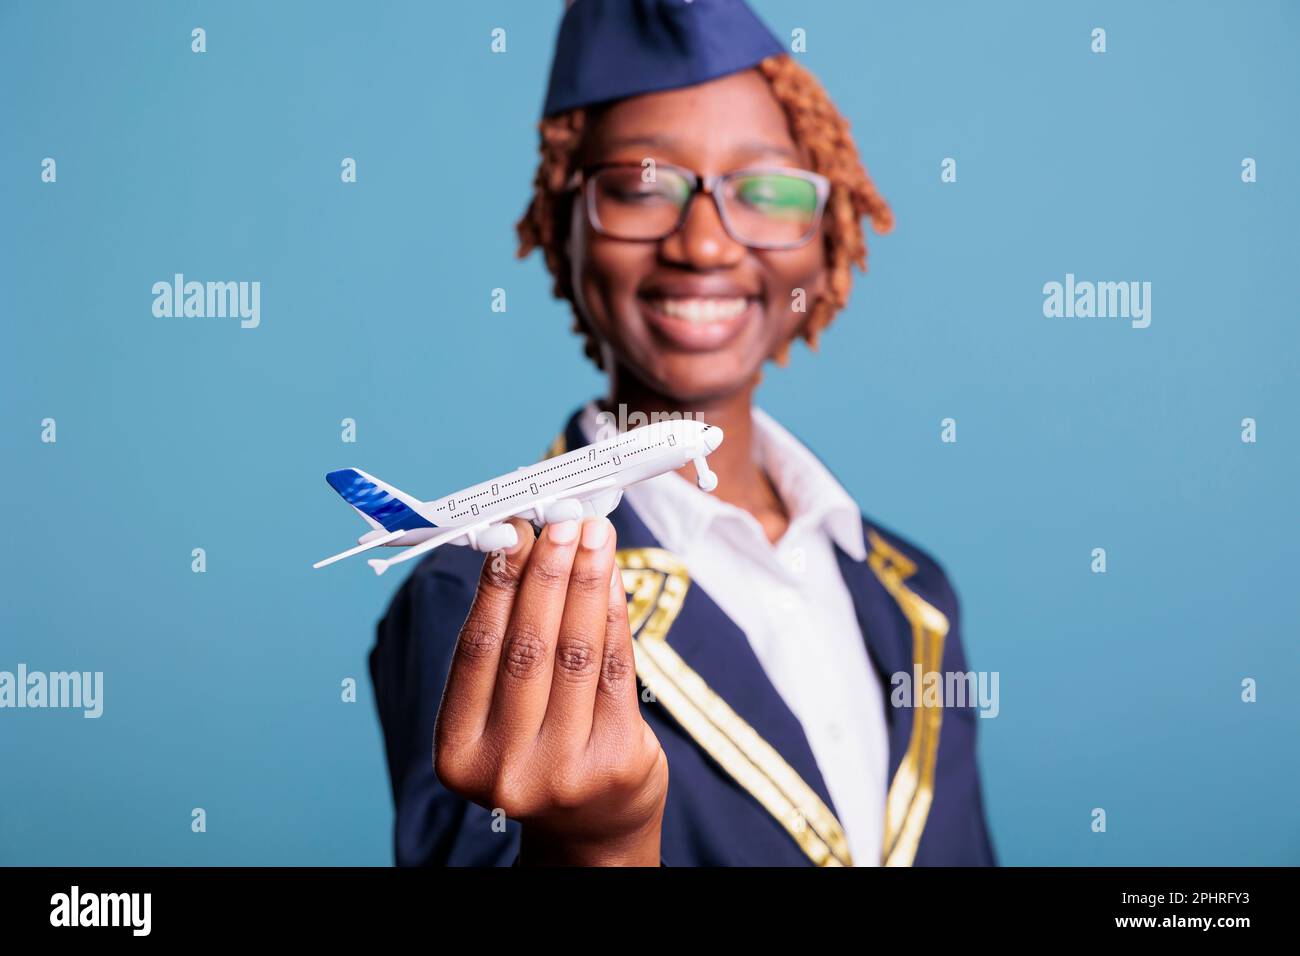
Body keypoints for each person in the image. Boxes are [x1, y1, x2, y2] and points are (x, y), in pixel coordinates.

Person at [369, 0, 995, 866]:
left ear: (829, 241)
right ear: (562, 230)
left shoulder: (915, 596)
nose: (703, 244)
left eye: (769, 190)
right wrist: (599, 847)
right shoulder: (479, 592)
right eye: (638, 186)